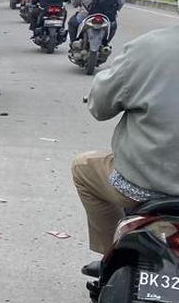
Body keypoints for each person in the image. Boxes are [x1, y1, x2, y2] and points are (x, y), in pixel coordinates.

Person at [72, 23, 179, 263]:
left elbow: (100, 107)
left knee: (82, 167)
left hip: (143, 188)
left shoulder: (148, 47)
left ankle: (111, 255)